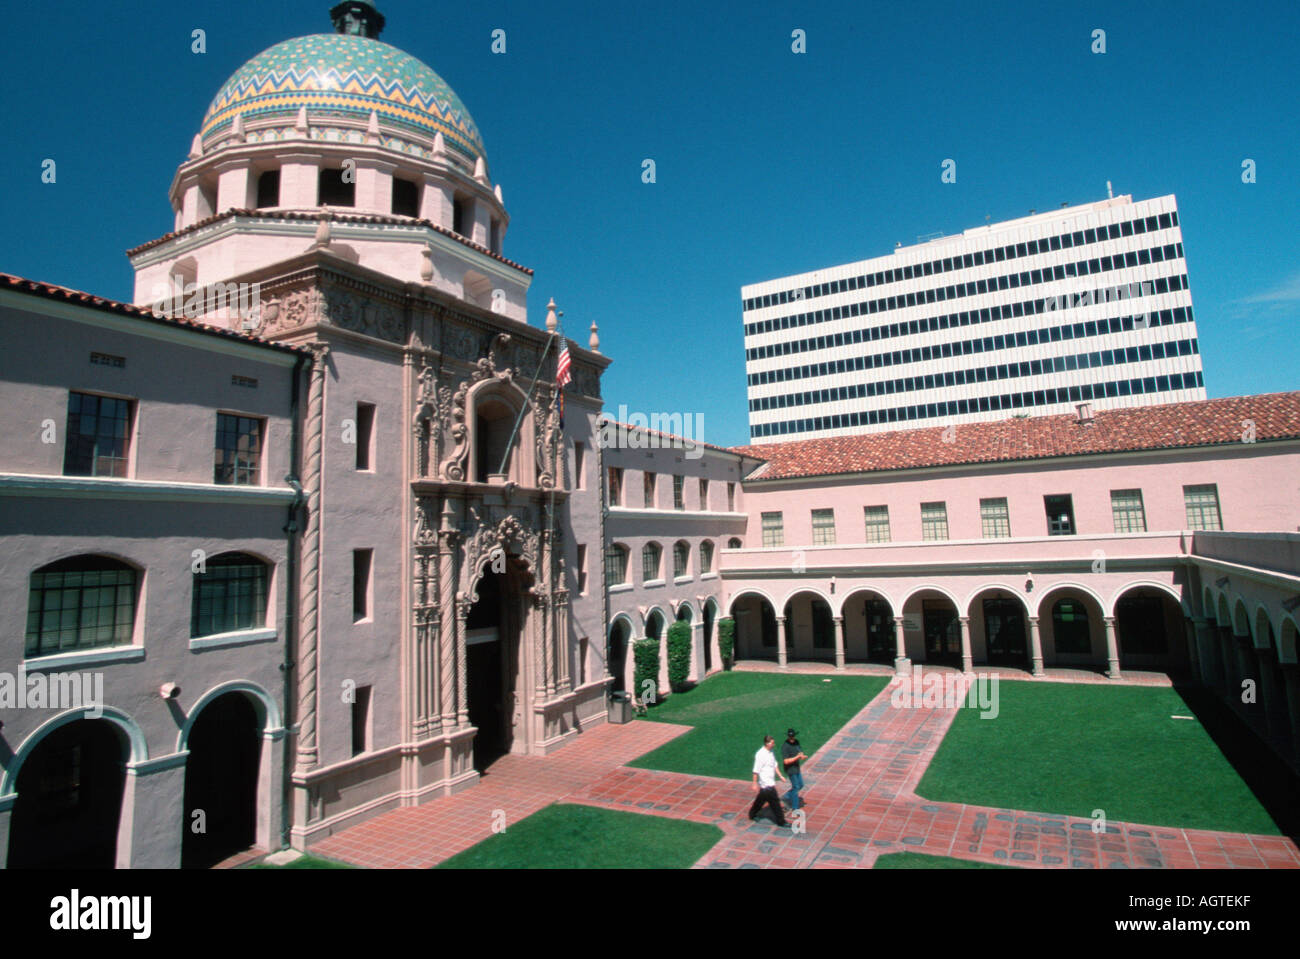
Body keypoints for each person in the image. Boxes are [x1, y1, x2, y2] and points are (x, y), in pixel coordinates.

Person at [749, 734, 789, 826]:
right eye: (772, 743)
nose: (774, 744)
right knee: (775, 803)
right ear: (767, 743)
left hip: (769, 783)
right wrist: (754, 783)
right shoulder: (760, 755)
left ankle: (752, 814)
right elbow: (756, 770)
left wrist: (780, 776)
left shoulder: (771, 752)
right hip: (766, 784)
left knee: (760, 800)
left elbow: (774, 765)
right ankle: (781, 821)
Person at [781, 728, 808, 812]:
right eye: (790, 737)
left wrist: (802, 755)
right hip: (790, 769)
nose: (792, 739)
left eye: (793, 737)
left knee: (800, 785)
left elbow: (800, 751)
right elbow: (786, 761)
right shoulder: (785, 746)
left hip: (796, 767)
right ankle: (795, 807)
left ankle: (786, 796)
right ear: (788, 737)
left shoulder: (796, 742)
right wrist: (797, 757)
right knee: (796, 787)